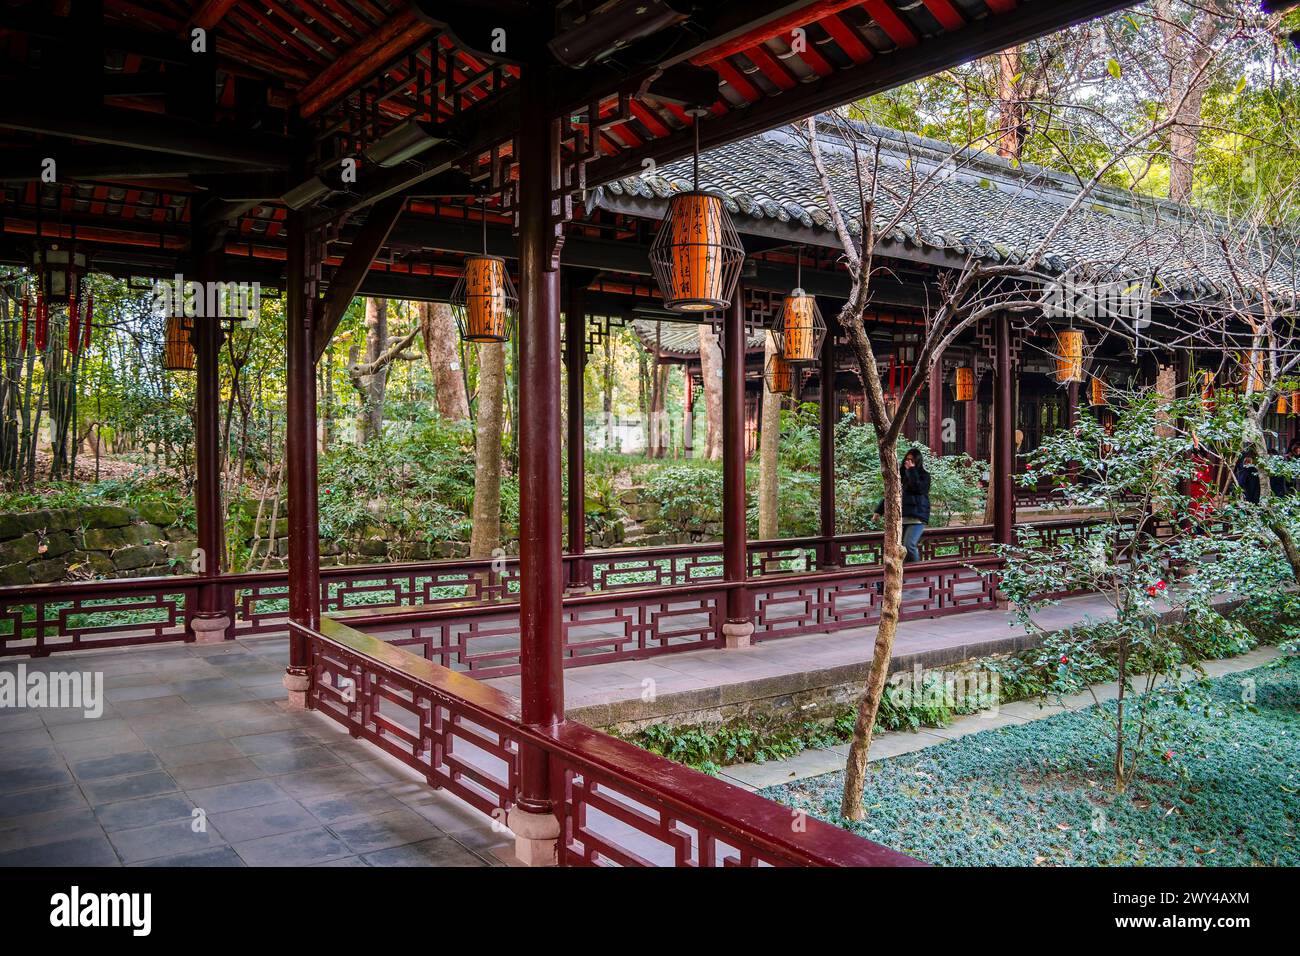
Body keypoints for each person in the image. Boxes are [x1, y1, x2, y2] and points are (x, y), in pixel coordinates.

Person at [900, 448, 932, 562]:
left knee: (909, 545)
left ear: (917, 462)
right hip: (903, 517)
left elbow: (918, 488)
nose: (908, 462)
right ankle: (901, 576)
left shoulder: (924, 475)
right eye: (907, 459)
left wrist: (912, 470)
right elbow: (893, 494)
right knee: (900, 549)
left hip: (917, 517)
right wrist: (879, 511)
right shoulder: (901, 475)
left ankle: (917, 574)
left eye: (912, 460)